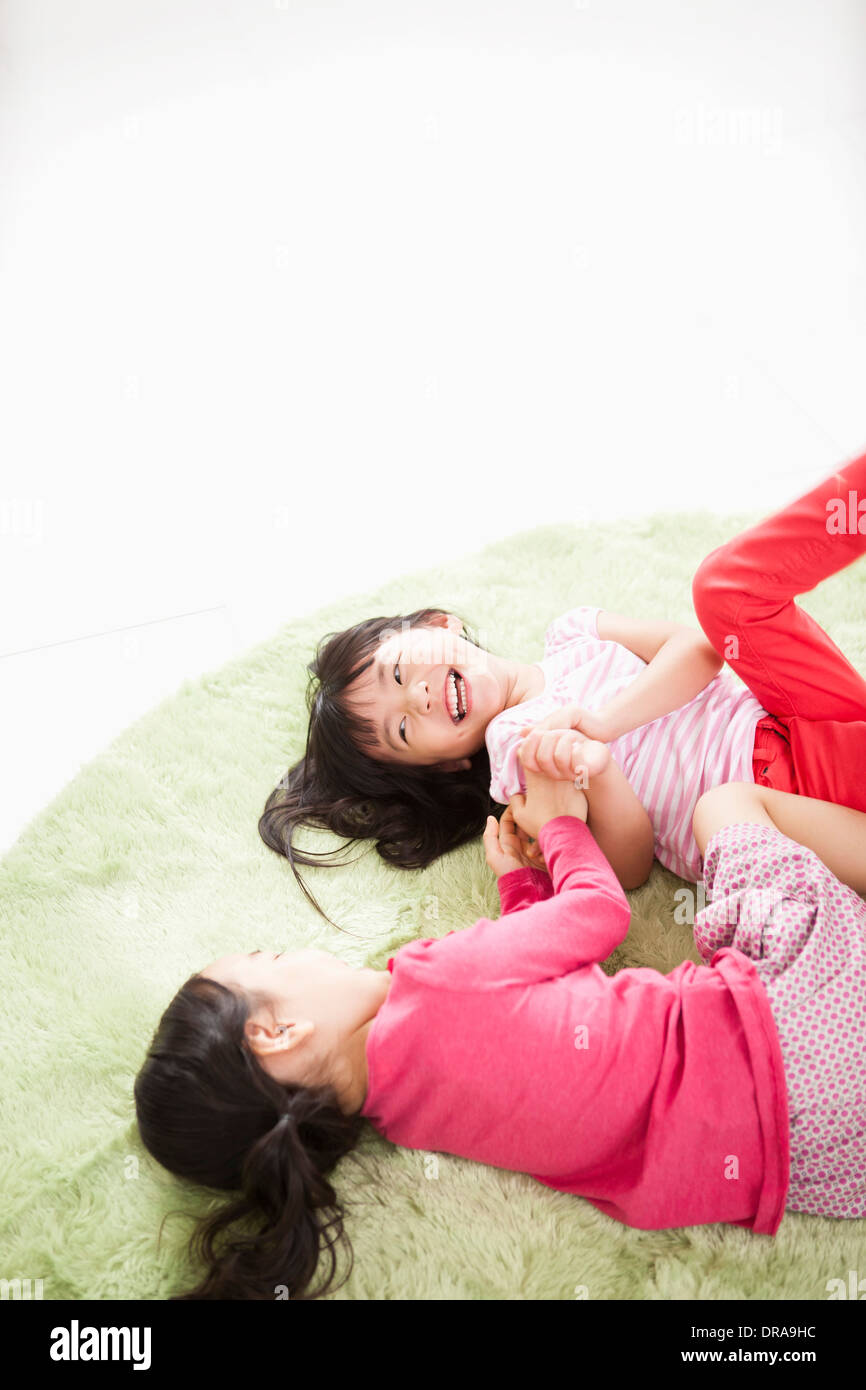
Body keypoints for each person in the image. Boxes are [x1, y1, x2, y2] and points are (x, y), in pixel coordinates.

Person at [136, 750, 866, 1299]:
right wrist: (562, 830)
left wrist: (521, 890)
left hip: (816, 1167)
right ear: (276, 1031)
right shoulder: (425, 980)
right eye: (274, 957)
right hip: (800, 1031)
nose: (301, 951)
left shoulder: (411, 1118)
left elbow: (543, 1025)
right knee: (724, 804)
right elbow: (601, 917)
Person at [260, 449, 866, 915]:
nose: (417, 698)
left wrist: (605, 723)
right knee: (717, 804)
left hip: (798, 722)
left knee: (723, 590)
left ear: (435, 624)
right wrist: (597, 771)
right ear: (442, 766)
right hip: (774, 822)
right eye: (402, 729)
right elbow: (628, 865)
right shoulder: (517, 758)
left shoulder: (575, 633)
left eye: (399, 671)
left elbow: (704, 650)